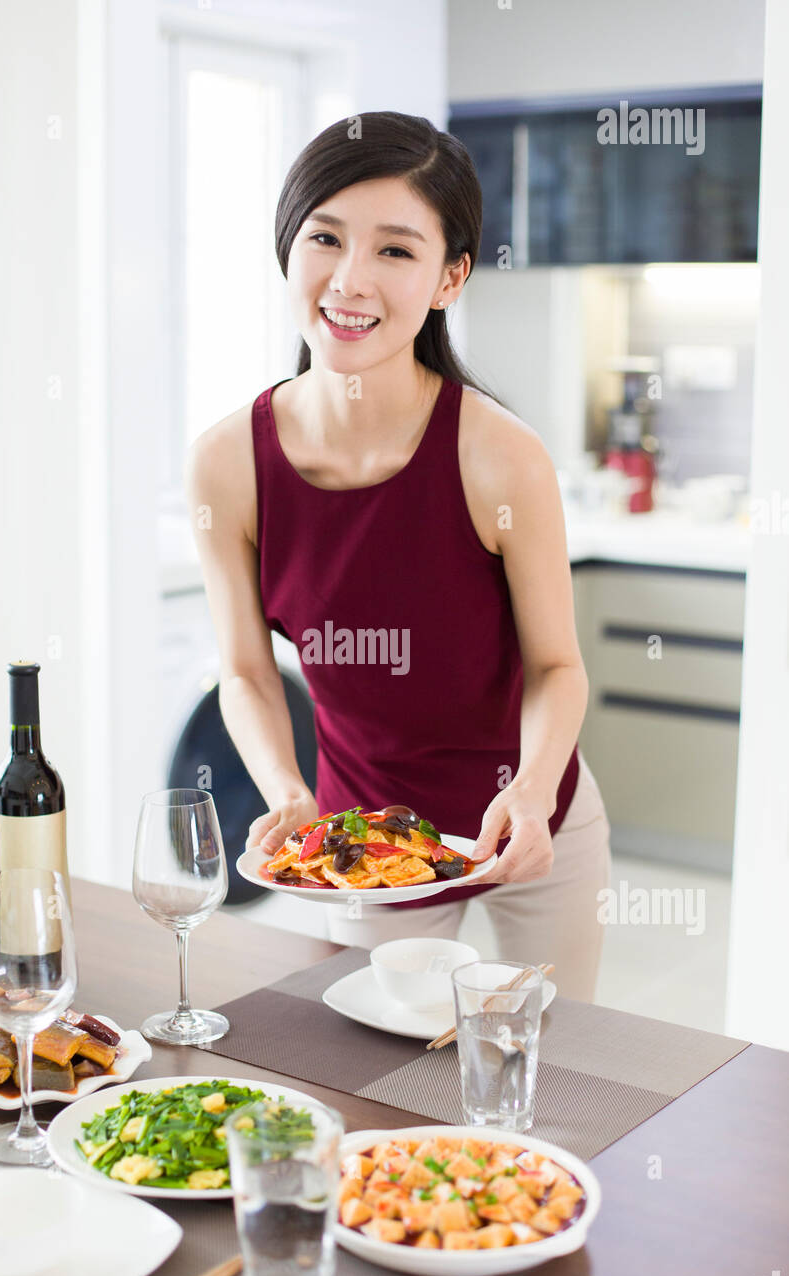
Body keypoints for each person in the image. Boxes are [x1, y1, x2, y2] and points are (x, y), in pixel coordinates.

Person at [188, 111, 610, 1002]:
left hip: (534, 816)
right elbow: (246, 671)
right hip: (360, 832)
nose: (349, 279)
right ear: (287, 249)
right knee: (391, 1069)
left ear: (451, 276)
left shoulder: (501, 456)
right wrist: (287, 792)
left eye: (395, 250)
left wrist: (532, 791)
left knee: (554, 1052)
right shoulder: (228, 463)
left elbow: (557, 666)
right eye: (325, 237)